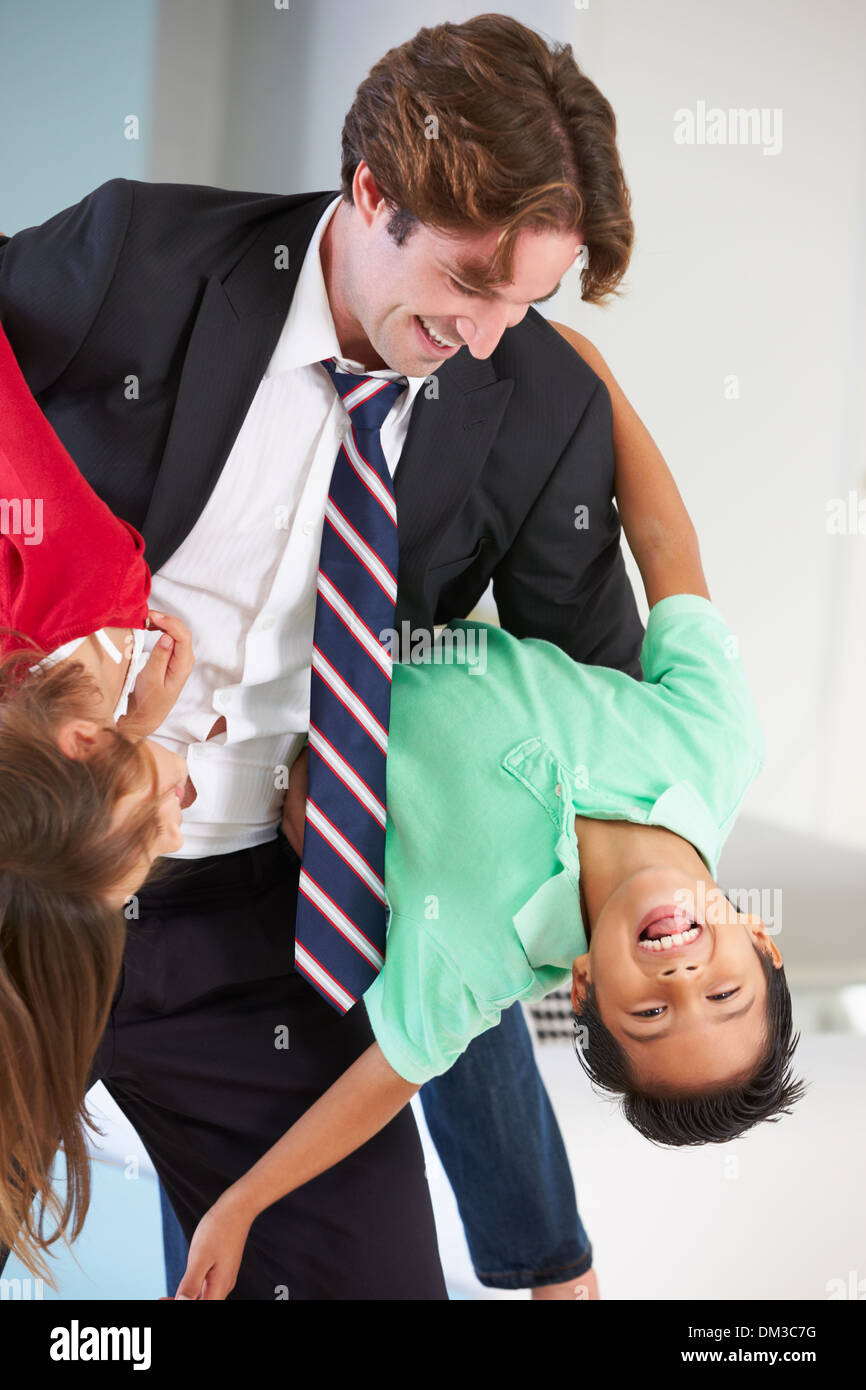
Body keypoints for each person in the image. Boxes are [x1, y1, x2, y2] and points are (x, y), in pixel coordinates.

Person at [1, 14, 647, 1298]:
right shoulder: (144, 256)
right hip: (31, 860)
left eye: (525, 299)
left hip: (264, 923)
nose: (484, 335)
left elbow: (598, 691)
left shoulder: (541, 402)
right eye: (469, 282)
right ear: (371, 193)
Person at [172, 322, 804, 1299]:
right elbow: (666, 550)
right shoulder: (715, 748)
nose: (680, 973)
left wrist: (241, 1202)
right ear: (756, 942)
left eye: (649, 1010)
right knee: (515, 411)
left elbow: (385, 1080)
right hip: (405, 595)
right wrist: (603, 388)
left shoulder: (481, 954)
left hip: (272, 692)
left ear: (583, 985)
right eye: (717, 991)